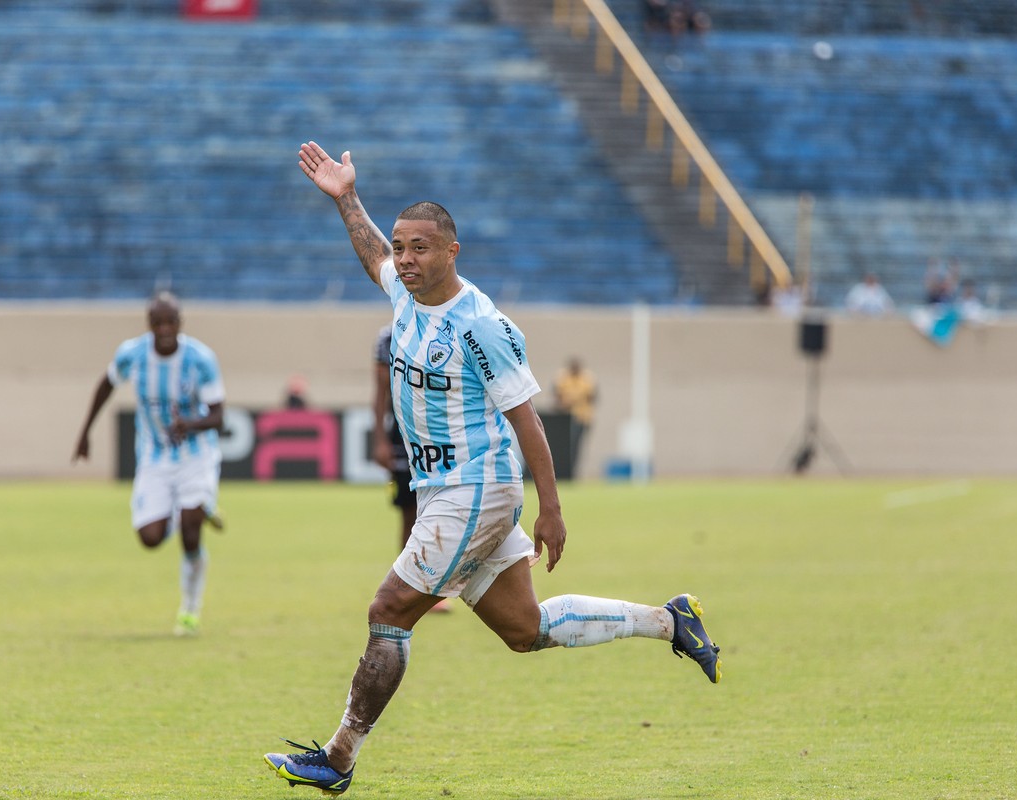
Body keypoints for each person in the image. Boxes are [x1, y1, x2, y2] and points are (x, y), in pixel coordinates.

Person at [264, 142, 723, 796]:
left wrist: (553, 509)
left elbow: (527, 420)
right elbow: (370, 252)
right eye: (400, 247)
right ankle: (669, 620)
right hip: (444, 492)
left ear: (453, 251)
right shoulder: (402, 292)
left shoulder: (482, 325)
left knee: (389, 609)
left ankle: (338, 759)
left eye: (419, 247)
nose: (404, 259)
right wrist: (347, 199)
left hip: (474, 490)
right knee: (523, 629)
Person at [72, 291, 225, 637]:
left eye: (171, 321)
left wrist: (190, 423)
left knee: (190, 533)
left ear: (180, 323)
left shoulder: (200, 359)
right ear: (150, 325)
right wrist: (85, 432)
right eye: (159, 322)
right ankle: (193, 508)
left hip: (195, 455)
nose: (165, 328)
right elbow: (105, 385)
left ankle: (189, 609)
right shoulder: (132, 354)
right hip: (154, 457)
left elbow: (218, 416)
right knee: (150, 537)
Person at [372, 324, 450, 613]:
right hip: (403, 437)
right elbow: (380, 392)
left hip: (441, 434)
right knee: (410, 514)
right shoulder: (389, 336)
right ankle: (412, 589)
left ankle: (436, 587)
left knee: (442, 510)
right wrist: (379, 439)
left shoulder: (442, 327)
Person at [552, 356, 598, 472]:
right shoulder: (562, 378)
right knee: (563, 446)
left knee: (576, 446)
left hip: (582, 418)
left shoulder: (587, 378)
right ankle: (563, 470)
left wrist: (574, 399)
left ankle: (573, 471)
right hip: (564, 418)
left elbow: (593, 397)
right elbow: (557, 396)